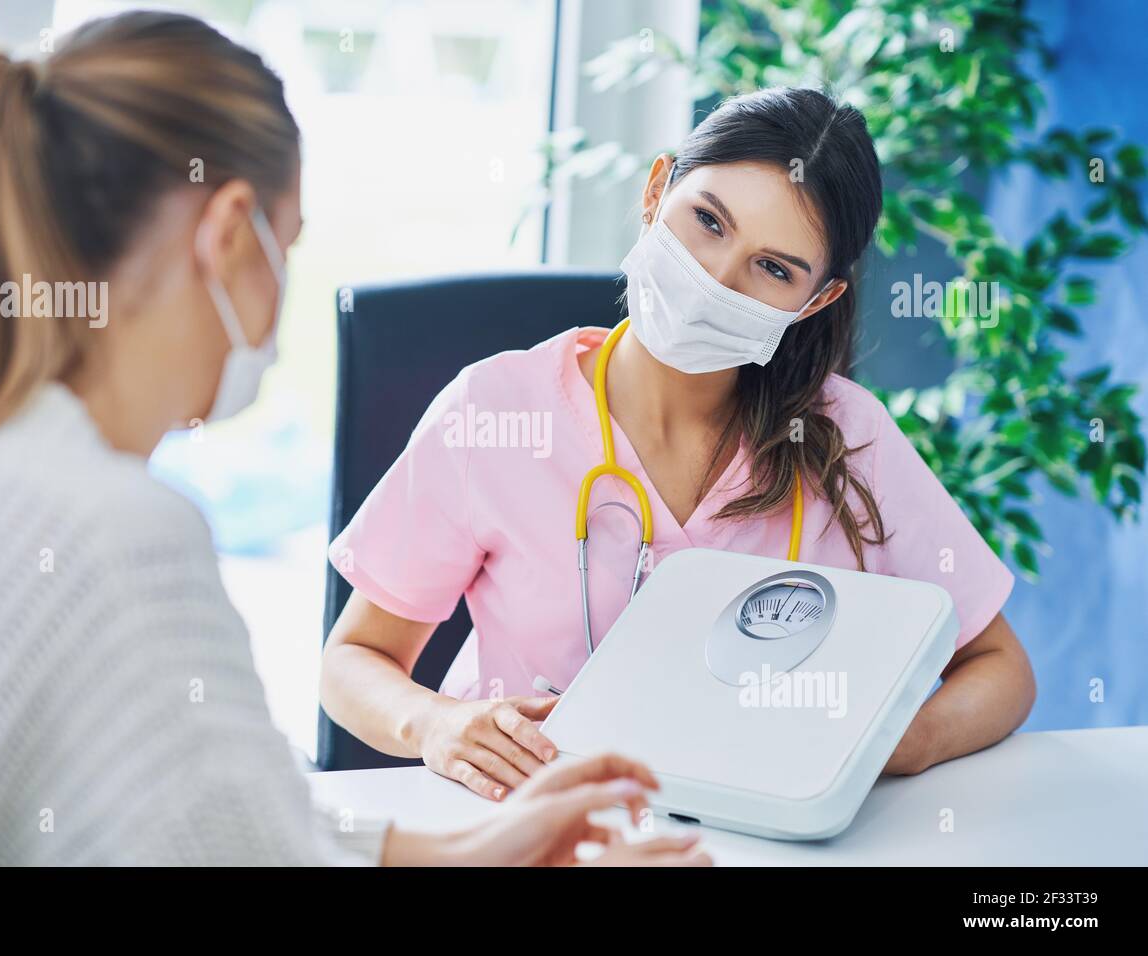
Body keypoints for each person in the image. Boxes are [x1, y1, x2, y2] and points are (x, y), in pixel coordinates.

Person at [0, 11, 709, 867]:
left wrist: (465, 855)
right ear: (226, 237)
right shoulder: (116, 535)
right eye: (285, 245)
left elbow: (214, 806)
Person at [321, 87, 1037, 802]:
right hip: (530, 823)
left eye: (774, 268)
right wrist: (435, 724)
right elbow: (353, 660)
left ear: (816, 301)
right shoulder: (494, 411)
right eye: (707, 221)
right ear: (657, 189)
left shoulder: (847, 439)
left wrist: (893, 745)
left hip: (757, 835)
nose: (713, 279)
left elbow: (1001, 667)